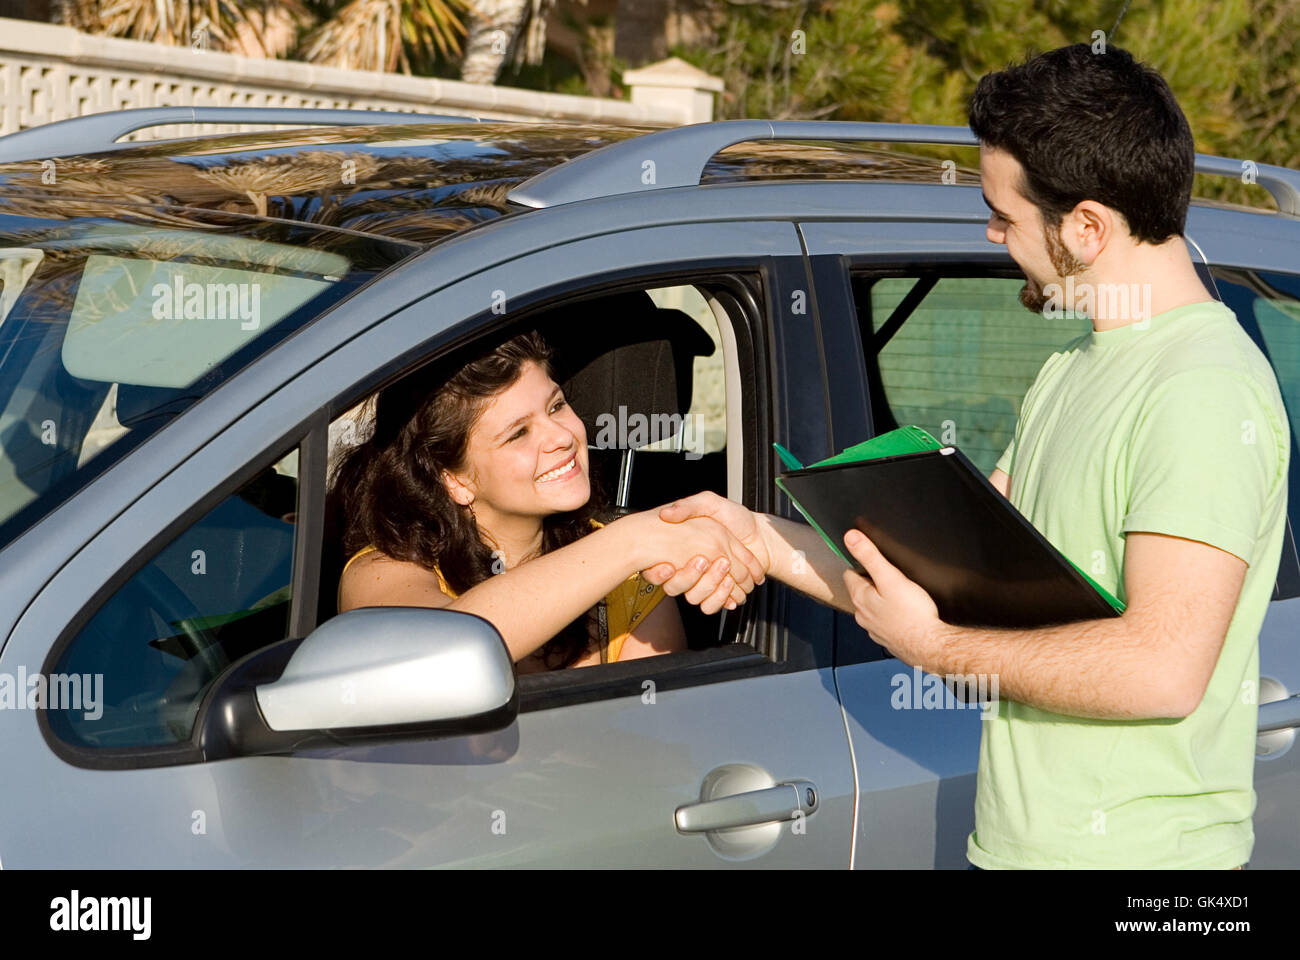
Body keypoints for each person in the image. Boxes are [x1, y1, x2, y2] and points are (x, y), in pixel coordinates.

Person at [642, 44, 1286, 869]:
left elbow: (1162, 670)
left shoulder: (1203, 389)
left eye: (1005, 215)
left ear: (1086, 227)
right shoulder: (1073, 365)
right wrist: (761, 541)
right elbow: (950, 579)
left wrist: (936, 652)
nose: (992, 234)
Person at [328, 329, 764, 674]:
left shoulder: (634, 582)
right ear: (455, 480)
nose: (562, 436)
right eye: (518, 433)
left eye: (556, 406)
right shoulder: (386, 571)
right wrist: (632, 539)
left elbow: (653, 746)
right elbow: (442, 655)